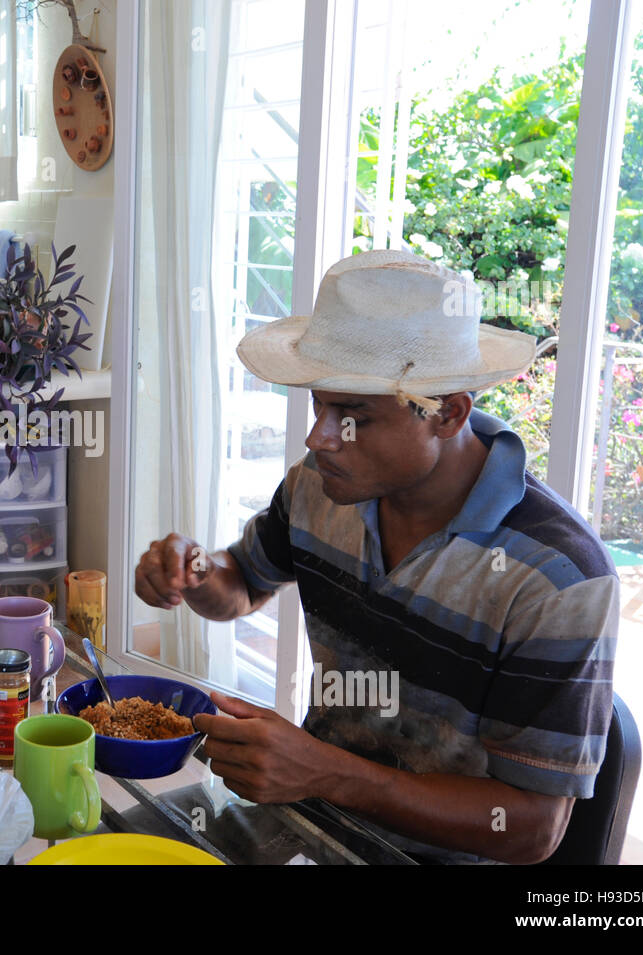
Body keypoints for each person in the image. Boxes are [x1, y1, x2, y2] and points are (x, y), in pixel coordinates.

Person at [135, 250, 618, 864]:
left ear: (447, 413)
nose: (319, 438)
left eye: (354, 416)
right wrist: (195, 570)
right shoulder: (322, 487)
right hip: (308, 821)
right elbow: (243, 584)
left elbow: (530, 828)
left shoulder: (557, 577)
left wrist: (326, 774)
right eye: (320, 406)